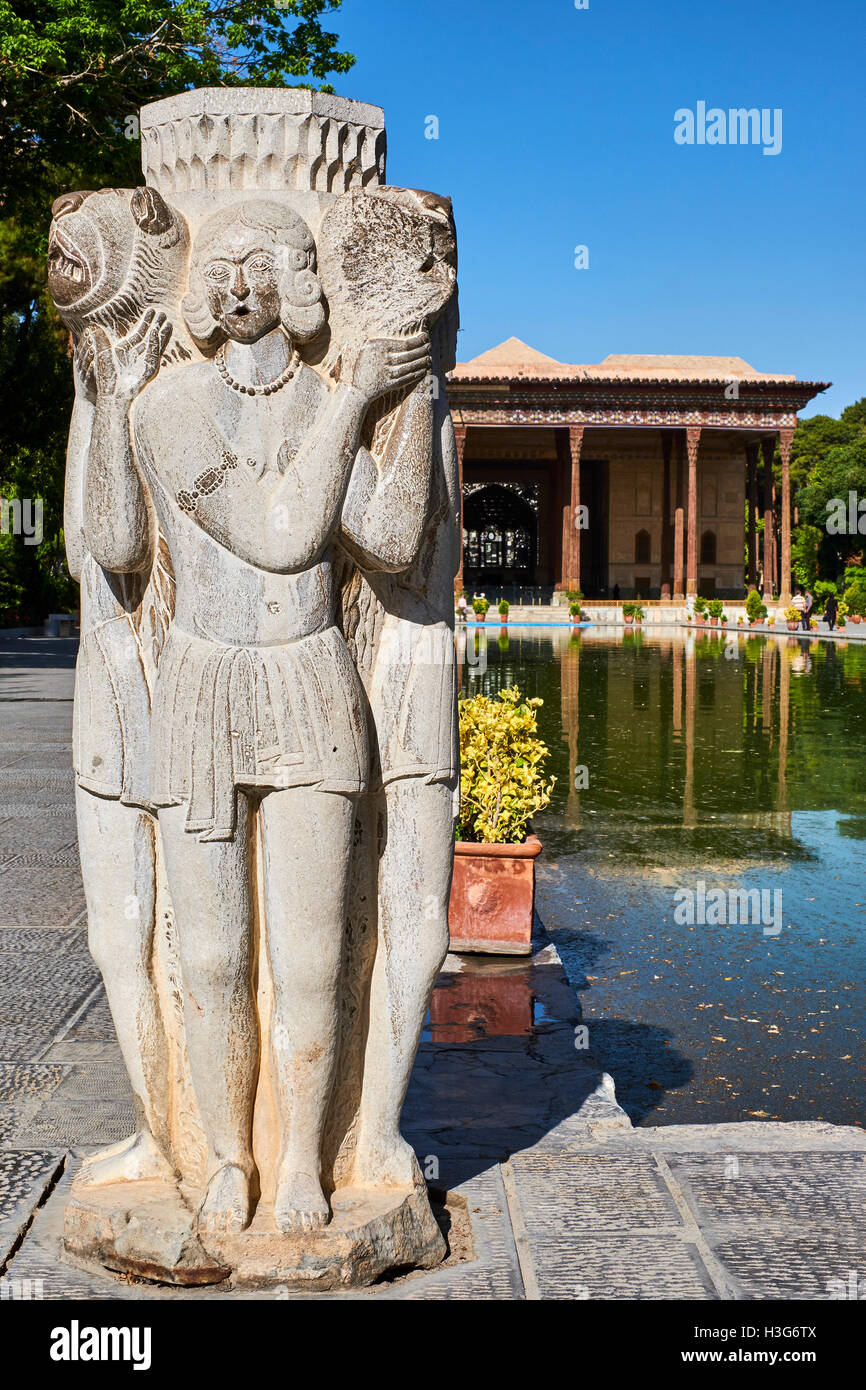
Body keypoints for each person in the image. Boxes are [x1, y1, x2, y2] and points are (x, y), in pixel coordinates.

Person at [82, 198, 432, 1236]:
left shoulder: (327, 399)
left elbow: (395, 539)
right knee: (211, 957)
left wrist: (415, 403)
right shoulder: (174, 405)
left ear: (293, 279)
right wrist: (106, 400)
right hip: (203, 685)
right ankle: (227, 1156)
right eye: (220, 265)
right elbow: (208, 538)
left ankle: (296, 1166)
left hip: (308, 679)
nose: (236, 283)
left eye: (259, 264)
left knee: (313, 955)